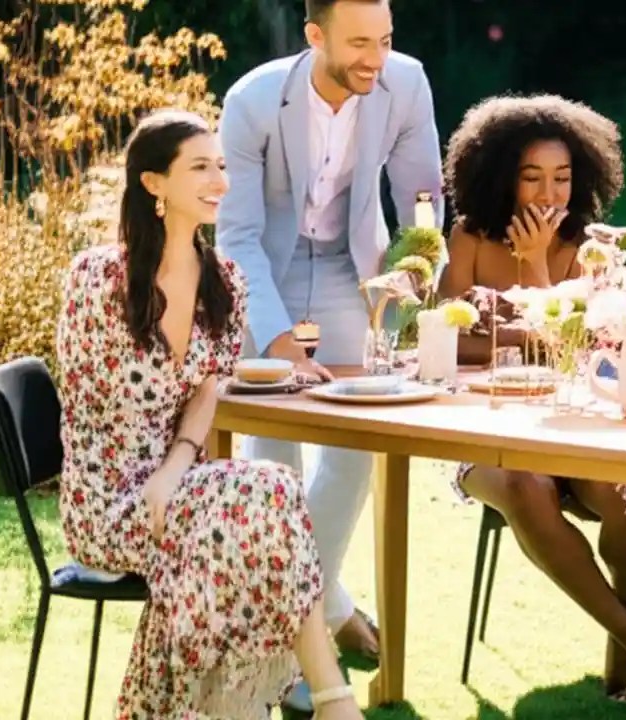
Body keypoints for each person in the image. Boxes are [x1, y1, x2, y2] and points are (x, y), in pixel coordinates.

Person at [54, 109, 361, 719]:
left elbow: (206, 391)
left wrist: (176, 469)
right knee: (255, 505)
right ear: (153, 183)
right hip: (109, 501)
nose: (220, 181)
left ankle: (324, 698)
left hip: (179, 485)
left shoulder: (226, 281)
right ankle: (325, 698)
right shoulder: (98, 278)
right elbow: (90, 407)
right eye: (200, 167)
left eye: (221, 166)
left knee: (270, 489)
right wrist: (162, 481)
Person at [215, 0, 443, 707]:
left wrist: (413, 277)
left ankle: (293, 640)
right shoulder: (253, 101)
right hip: (268, 268)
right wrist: (278, 340)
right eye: (359, 43)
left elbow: (421, 206)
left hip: (351, 269)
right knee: (271, 465)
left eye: (386, 39)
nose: (376, 58)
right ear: (315, 36)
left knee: (354, 448)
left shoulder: (406, 83)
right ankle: (325, 618)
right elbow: (237, 235)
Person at [437, 94, 626, 711]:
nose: (549, 194)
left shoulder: (590, 250)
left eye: (563, 178)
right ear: (502, 175)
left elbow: (582, 352)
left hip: (572, 427)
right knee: (525, 485)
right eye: (532, 177)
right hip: (486, 435)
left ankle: (622, 656)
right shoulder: (468, 238)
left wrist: (538, 271)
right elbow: (440, 341)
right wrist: (521, 335)